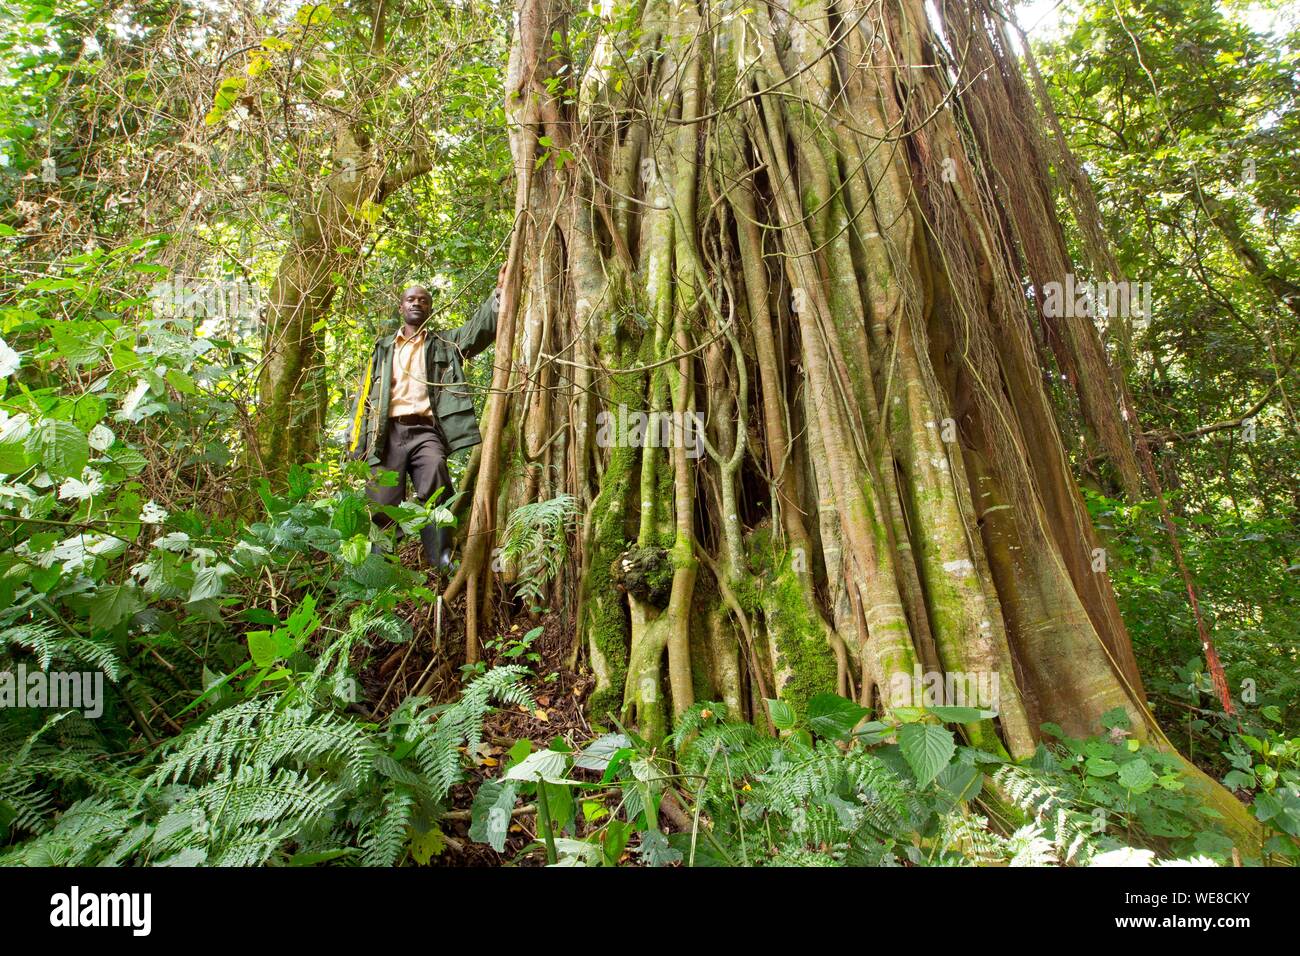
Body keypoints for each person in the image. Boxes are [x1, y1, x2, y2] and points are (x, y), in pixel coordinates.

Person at [346, 263, 507, 570]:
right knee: (381, 499)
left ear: (430, 309)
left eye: (423, 300)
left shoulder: (443, 344)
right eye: (411, 299)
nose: (417, 303)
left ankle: (441, 558)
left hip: (425, 431)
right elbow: (364, 396)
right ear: (401, 307)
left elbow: (478, 331)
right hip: (386, 434)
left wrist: (499, 291)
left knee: (436, 480)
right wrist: (356, 442)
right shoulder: (382, 349)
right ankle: (381, 566)